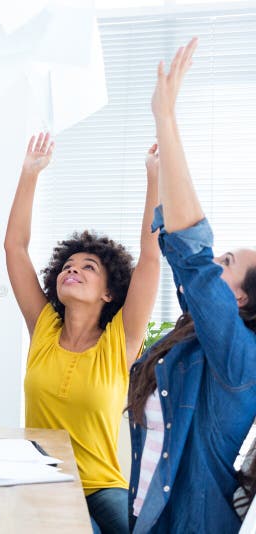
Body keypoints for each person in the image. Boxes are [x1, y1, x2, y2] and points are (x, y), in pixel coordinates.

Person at [127, 37, 256, 533]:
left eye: (229, 263)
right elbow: (182, 253)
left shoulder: (238, 359)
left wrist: (167, 117)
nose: (213, 264)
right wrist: (158, 176)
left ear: (241, 297)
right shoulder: (197, 341)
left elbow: (193, 258)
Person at [4, 131, 161, 532]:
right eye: (67, 265)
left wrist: (155, 177)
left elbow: (150, 257)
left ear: (109, 292)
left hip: (102, 485)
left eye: (88, 267)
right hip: (42, 480)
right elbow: (15, 248)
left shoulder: (119, 341)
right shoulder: (43, 328)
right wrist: (29, 175)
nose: (72, 269)